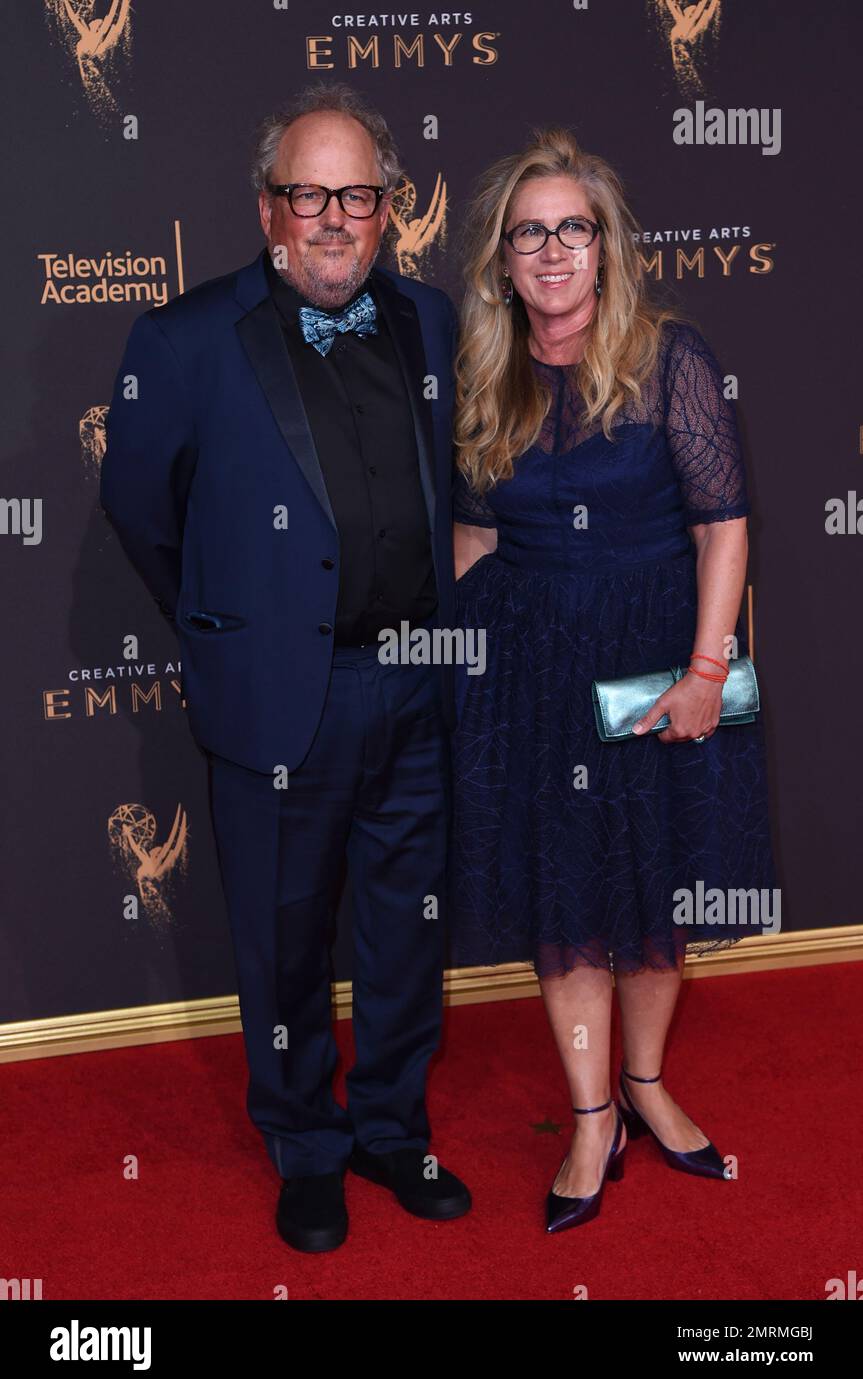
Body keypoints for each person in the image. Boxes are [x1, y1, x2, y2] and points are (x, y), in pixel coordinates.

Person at [100, 83, 470, 1254]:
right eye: (307, 195)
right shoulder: (182, 340)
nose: (333, 218)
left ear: (388, 208)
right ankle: (305, 1146)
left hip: (415, 684)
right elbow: (142, 511)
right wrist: (234, 626)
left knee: (405, 934)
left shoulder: (431, 320)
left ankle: (392, 1129)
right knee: (283, 940)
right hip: (275, 702)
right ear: (267, 208)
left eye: (356, 195)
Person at [450, 127, 778, 1234]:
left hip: (652, 657)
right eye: (527, 233)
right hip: (534, 672)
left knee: (654, 887)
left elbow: (722, 526)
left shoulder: (666, 357)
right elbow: (473, 538)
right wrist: (473, 674)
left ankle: (644, 1083)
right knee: (567, 899)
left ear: (604, 246)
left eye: (572, 229)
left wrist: (704, 669)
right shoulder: (484, 374)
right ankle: (591, 1118)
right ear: (502, 259)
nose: (551, 251)